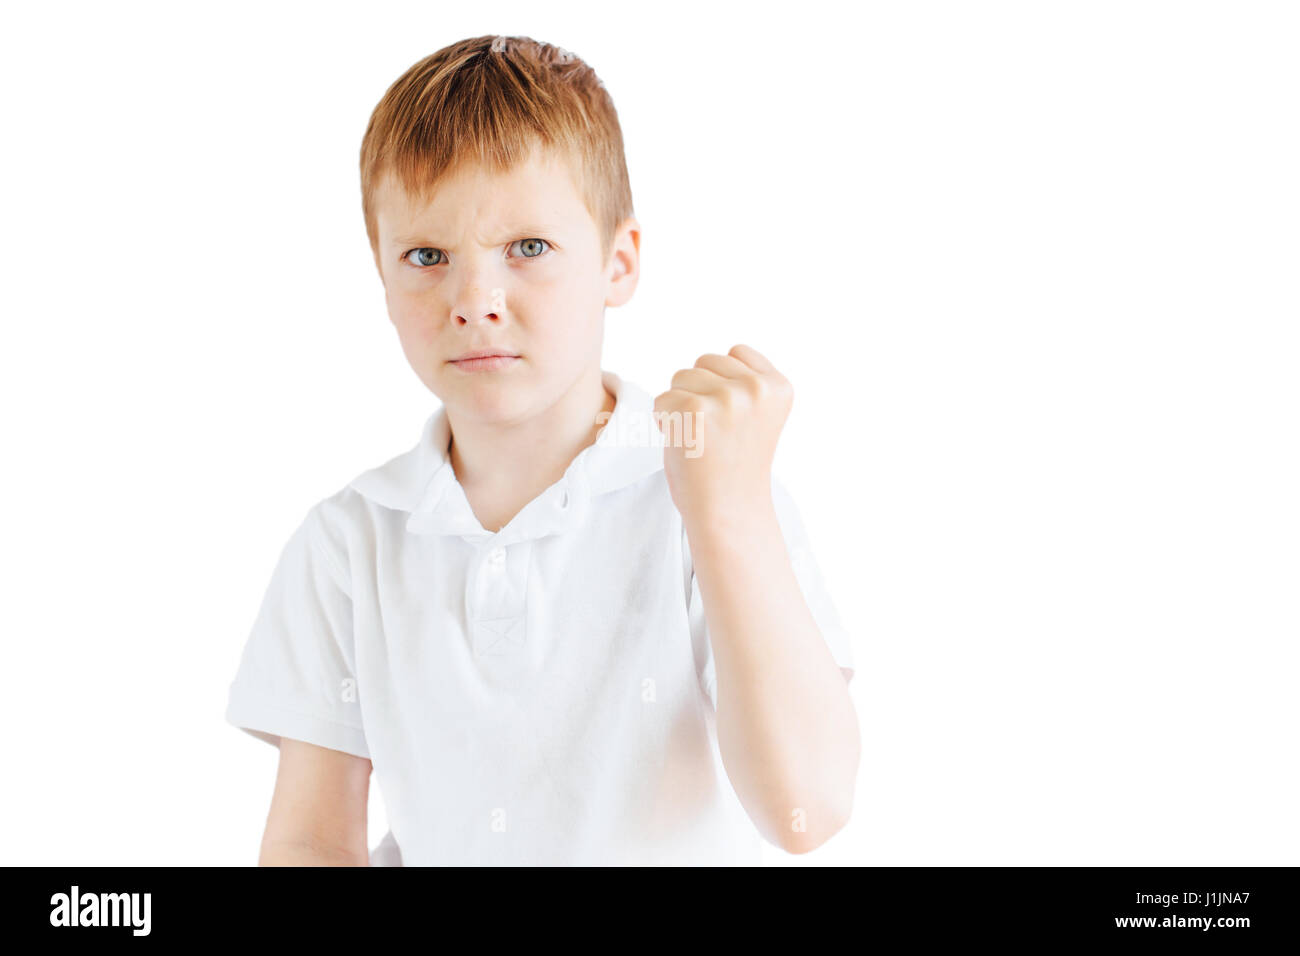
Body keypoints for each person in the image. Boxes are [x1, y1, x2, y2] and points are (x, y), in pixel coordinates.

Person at [225, 34, 859, 866]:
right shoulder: (350, 542)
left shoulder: (712, 497)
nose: (474, 301)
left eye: (527, 249)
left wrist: (727, 509)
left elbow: (806, 811)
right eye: (426, 256)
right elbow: (310, 840)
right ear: (382, 279)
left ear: (619, 263)